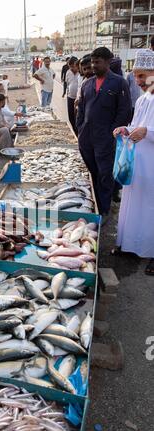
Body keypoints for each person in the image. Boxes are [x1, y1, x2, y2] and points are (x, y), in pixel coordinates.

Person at [112, 49, 154, 275]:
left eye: (142, 76)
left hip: (153, 162)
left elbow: (146, 128)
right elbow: (135, 122)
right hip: (137, 161)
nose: (137, 81)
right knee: (134, 203)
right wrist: (125, 129)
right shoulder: (142, 99)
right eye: (136, 76)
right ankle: (130, 245)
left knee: (151, 207)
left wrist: (147, 131)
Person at [77, 47, 132, 222]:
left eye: (97, 62)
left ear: (108, 62)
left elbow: (124, 111)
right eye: (92, 62)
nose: (93, 65)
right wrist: (80, 128)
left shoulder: (119, 83)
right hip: (87, 137)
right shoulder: (87, 84)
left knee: (105, 173)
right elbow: (82, 109)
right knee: (92, 171)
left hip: (106, 138)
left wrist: (113, 133)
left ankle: (104, 209)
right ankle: (94, 202)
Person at [66, 56, 79, 136]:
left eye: (73, 66)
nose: (71, 68)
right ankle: (76, 134)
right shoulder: (68, 72)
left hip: (79, 100)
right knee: (71, 118)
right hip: (70, 97)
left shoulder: (81, 73)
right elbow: (67, 83)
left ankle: (79, 134)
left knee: (78, 118)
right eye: (70, 66)